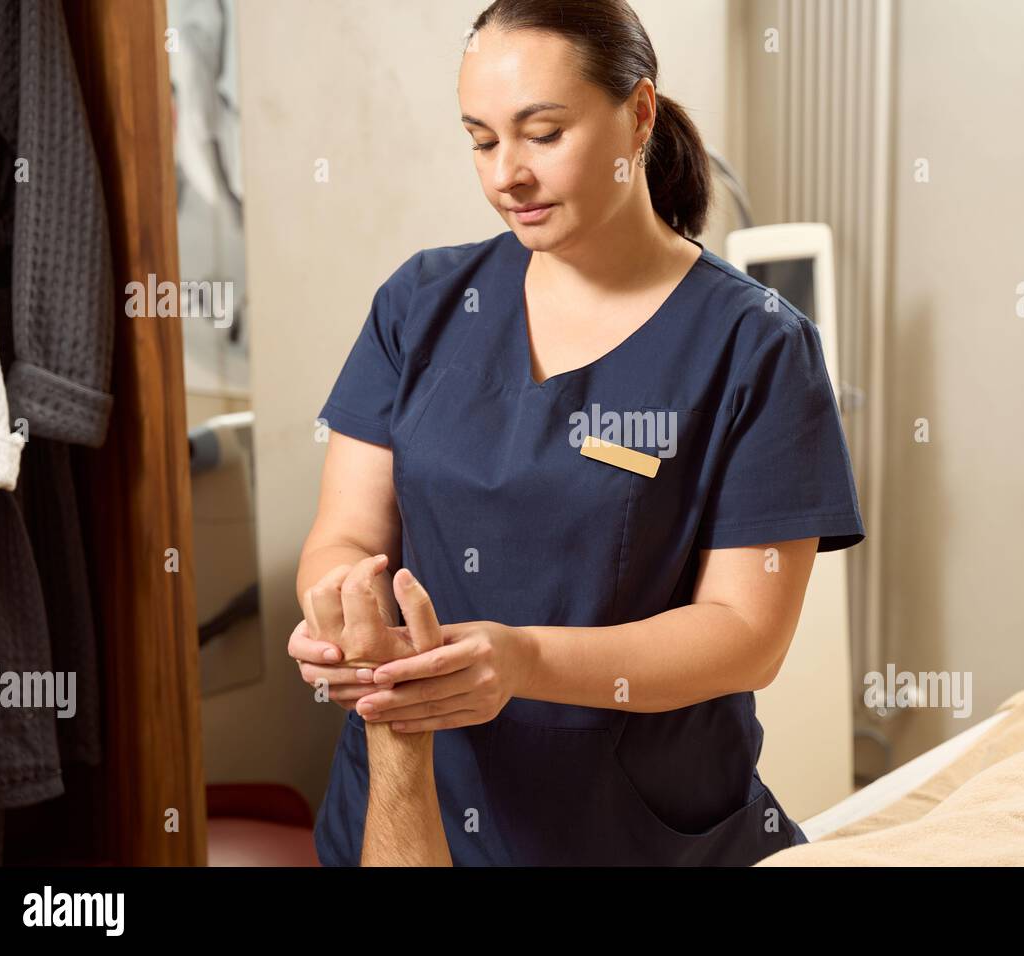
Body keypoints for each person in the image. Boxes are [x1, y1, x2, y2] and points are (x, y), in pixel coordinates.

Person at [291, 0, 865, 867]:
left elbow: (747, 634)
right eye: (482, 141)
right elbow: (345, 535)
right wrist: (338, 619)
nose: (506, 175)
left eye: (543, 133)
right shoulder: (421, 304)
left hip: (630, 828)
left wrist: (520, 661)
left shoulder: (754, 344)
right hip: (413, 806)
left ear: (637, 113)